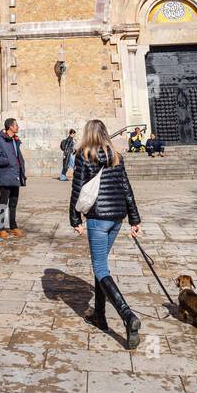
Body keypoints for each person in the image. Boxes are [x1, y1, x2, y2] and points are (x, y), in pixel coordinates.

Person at [69, 119, 143, 349]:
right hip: (117, 218)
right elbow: (126, 187)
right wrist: (134, 219)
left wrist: (74, 219)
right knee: (100, 266)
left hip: (98, 218)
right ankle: (99, 316)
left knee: (100, 268)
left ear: (88, 134)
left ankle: (127, 316)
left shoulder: (83, 154)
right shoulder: (115, 155)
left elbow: (78, 189)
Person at [0, 118, 26, 239]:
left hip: (15, 176)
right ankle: (0, 228)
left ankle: (13, 226)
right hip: (5, 176)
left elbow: (18, 158)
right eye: (16, 125)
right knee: (3, 203)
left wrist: (22, 172)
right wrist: (8, 161)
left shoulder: (15, 141)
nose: (18, 127)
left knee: (14, 203)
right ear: (10, 126)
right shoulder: (0, 141)